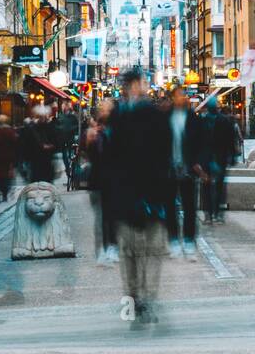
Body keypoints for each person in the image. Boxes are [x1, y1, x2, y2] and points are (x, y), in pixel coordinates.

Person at [104, 69, 172, 323]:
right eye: (142, 83)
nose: (144, 87)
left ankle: (142, 299)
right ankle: (140, 298)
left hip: (139, 196)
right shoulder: (134, 117)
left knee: (142, 254)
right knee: (138, 253)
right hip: (139, 196)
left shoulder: (128, 116)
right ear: (133, 86)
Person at [165, 85, 205, 259]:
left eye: (184, 95)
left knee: (190, 208)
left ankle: (189, 241)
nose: (183, 98)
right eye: (179, 95)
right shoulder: (165, 118)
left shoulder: (192, 118)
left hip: (188, 169)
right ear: (173, 98)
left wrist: (198, 163)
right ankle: (173, 240)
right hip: (169, 169)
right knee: (170, 208)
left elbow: (200, 142)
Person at [84, 98, 118, 264]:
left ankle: (112, 246)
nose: (105, 111)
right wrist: (89, 141)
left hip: (114, 177)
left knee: (112, 214)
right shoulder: (93, 131)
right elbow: (88, 154)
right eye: (103, 108)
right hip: (97, 178)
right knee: (100, 216)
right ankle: (102, 249)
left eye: (107, 108)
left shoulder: (117, 129)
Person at [200, 101, 238, 224]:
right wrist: (232, 156)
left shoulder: (207, 121)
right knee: (213, 186)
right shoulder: (207, 121)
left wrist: (232, 155)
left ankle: (212, 214)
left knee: (215, 187)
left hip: (216, 157)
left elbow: (231, 139)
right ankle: (213, 214)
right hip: (212, 158)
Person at [19, 104, 59, 185]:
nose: (43, 118)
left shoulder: (49, 127)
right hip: (35, 163)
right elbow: (25, 146)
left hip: (44, 163)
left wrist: (51, 147)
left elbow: (56, 142)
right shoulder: (31, 128)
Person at [0, 114, 20, 200]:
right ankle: (6, 190)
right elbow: (15, 145)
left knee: (0, 175)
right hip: (9, 156)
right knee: (8, 174)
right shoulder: (11, 131)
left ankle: (3, 190)